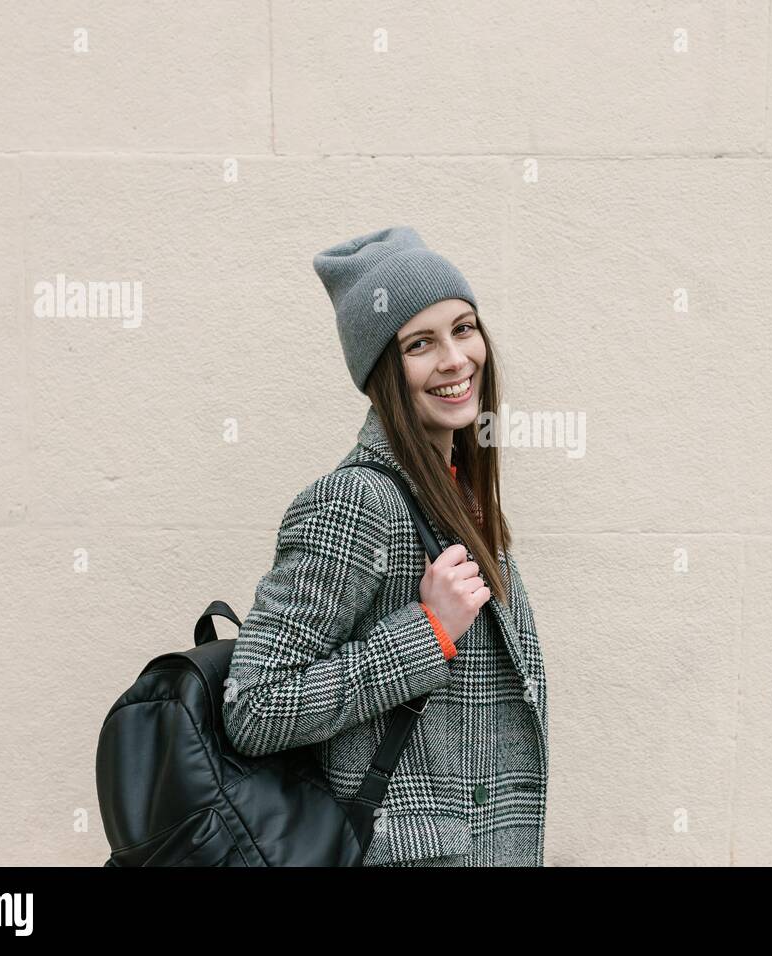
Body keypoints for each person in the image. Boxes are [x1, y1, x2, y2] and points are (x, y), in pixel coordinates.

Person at [222, 226, 549, 867]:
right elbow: (254, 706)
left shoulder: (461, 496)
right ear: (383, 372)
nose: (455, 360)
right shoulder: (355, 503)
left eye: (464, 328)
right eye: (419, 344)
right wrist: (426, 633)